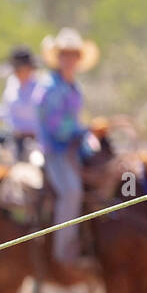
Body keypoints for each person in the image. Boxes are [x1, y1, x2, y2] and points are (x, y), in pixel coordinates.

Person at [36, 28, 100, 279]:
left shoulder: (73, 87)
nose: (69, 59)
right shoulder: (50, 87)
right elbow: (55, 126)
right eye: (65, 54)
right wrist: (84, 130)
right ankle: (64, 252)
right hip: (56, 151)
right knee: (71, 191)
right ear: (58, 57)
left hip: (74, 149)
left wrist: (89, 136)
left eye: (73, 54)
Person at [0, 45, 41, 161]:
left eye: (20, 68)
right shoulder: (12, 85)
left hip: (33, 139)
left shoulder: (39, 89)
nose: (18, 72)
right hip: (11, 135)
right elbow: (7, 113)